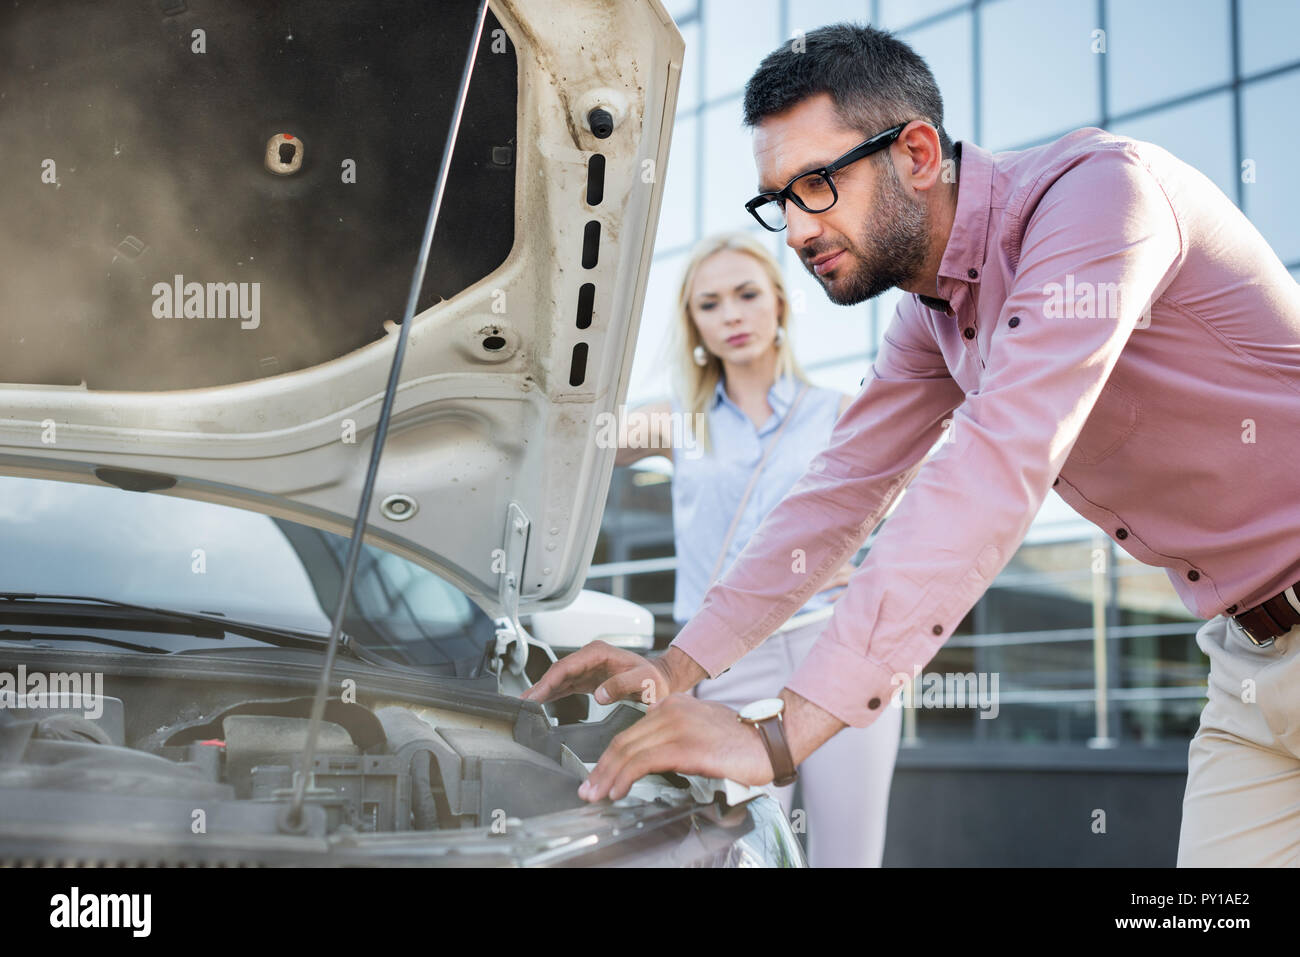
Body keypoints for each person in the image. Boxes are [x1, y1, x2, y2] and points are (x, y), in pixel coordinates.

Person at [523, 23, 1300, 867]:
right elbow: (839, 491)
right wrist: (678, 664)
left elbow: (997, 458)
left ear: (919, 153)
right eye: (777, 199)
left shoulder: (1102, 201)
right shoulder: (931, 318)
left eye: (816, 184)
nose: (793, 229)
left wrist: (782, 735)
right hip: (1245, 662)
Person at [609, 231, 902, 867]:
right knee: (742, 856)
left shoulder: (840, 413)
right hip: (725, 661)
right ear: (695, 323)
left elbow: (926, 499)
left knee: (847, 858)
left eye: (746, 294)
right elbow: (574, 439)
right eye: (710, 304)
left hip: (833, 646)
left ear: (780, 304)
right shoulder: (678, 420)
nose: (732, 315)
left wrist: (866, 570)